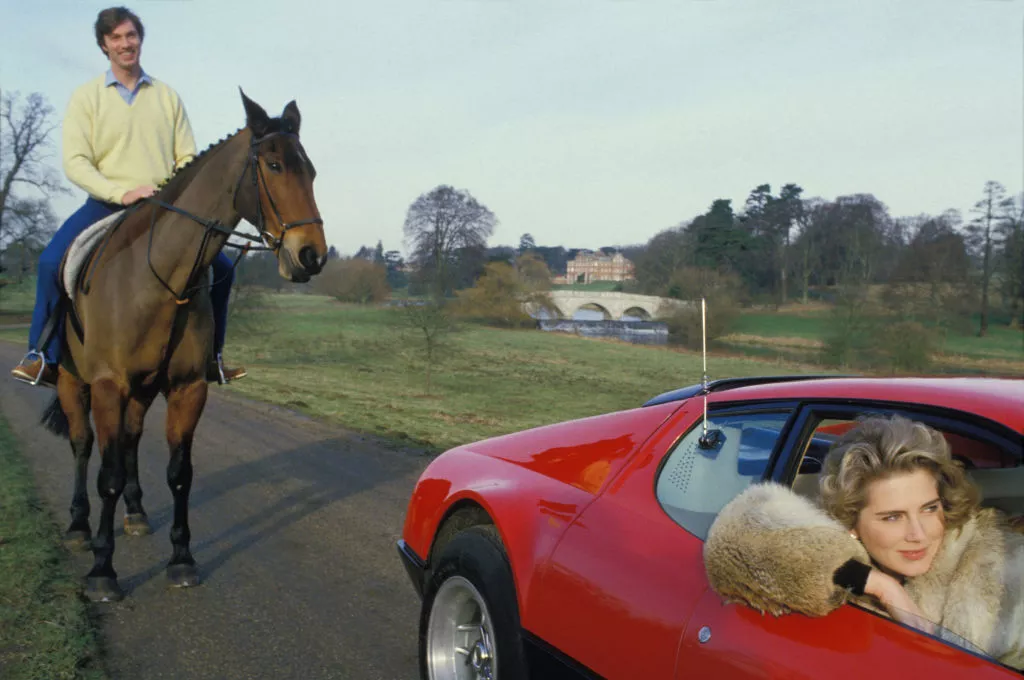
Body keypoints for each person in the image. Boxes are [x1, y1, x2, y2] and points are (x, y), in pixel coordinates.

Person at [11, 6, 245, 388]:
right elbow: (75, 162)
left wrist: (173, 195)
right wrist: (120, 192)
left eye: (131, 35)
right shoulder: (87, 98)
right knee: (50, 262)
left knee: (223, 268)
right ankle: (42, 356)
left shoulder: (167, 97)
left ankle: (212, 358)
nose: (125, 44)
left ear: (140, 39)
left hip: (164, 210)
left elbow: (188, 158)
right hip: (105, 206)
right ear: (104, 45)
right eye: (116, 38)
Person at [703, 414, 1024, 670]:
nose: (919, 533)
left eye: (929, 508)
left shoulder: (999, 558)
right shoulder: (843, 555)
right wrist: (880, 585)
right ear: (852, 524)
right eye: (892, 517)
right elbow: (734, 541)